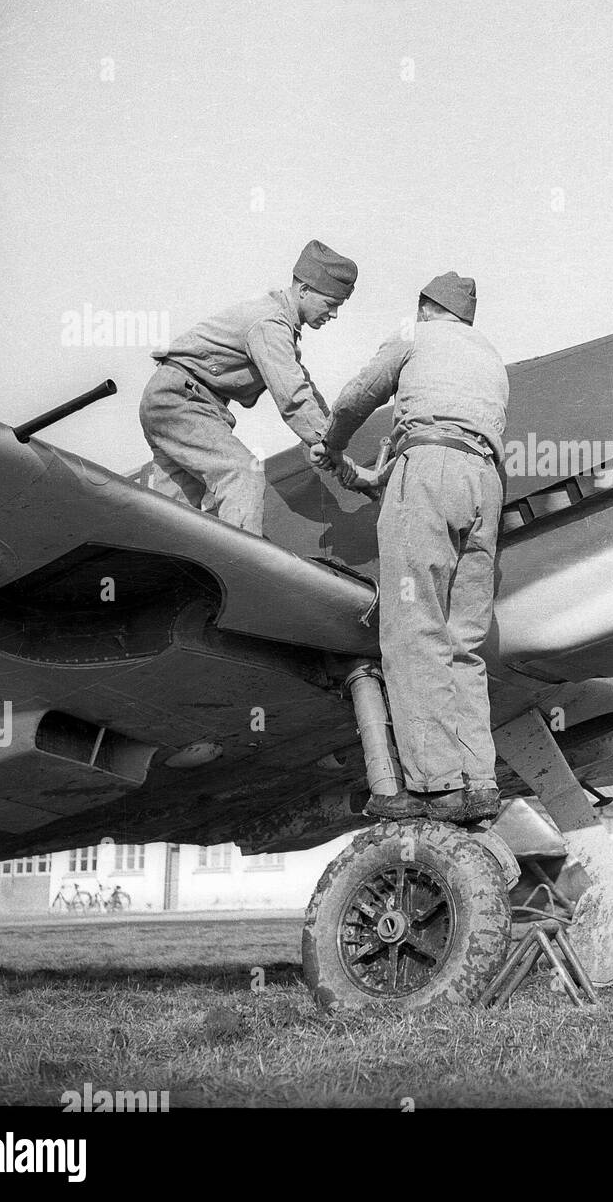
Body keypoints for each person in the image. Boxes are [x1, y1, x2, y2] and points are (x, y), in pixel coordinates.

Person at [313, 272, 509, 826]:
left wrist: (330, 446)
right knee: (463, 643)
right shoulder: (488, 357)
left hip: (427, 473)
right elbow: (448, 428)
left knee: (410, 628)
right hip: (484, 484)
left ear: (425, 308)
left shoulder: (416, 335)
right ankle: (478, 782)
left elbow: (356, 397)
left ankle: (434, 786)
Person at [139, 239, 356, 536]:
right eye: (330, 304)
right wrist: (327, 443)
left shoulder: (276, 324)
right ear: (304, 290)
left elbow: (303, 386)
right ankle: (239, 570)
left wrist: (330, 442)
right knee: (243, 473)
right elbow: (293, 396)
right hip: (182, 400)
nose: (333, 314)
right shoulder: (271, 324)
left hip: (173, 400)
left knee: (172, 516)